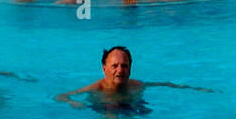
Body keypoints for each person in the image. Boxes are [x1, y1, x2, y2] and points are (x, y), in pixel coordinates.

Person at [55, 46, 213, 111]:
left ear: (130, 68)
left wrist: (194, 89)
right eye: (114, 66)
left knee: (144, 113)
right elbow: (61, 96)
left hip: (132, 106)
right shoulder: (97, 88)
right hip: (106, 108)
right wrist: (73, 102)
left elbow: (164, 84)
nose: (120, 70)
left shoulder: (136, 85)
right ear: (104, 69)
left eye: (124, 66)